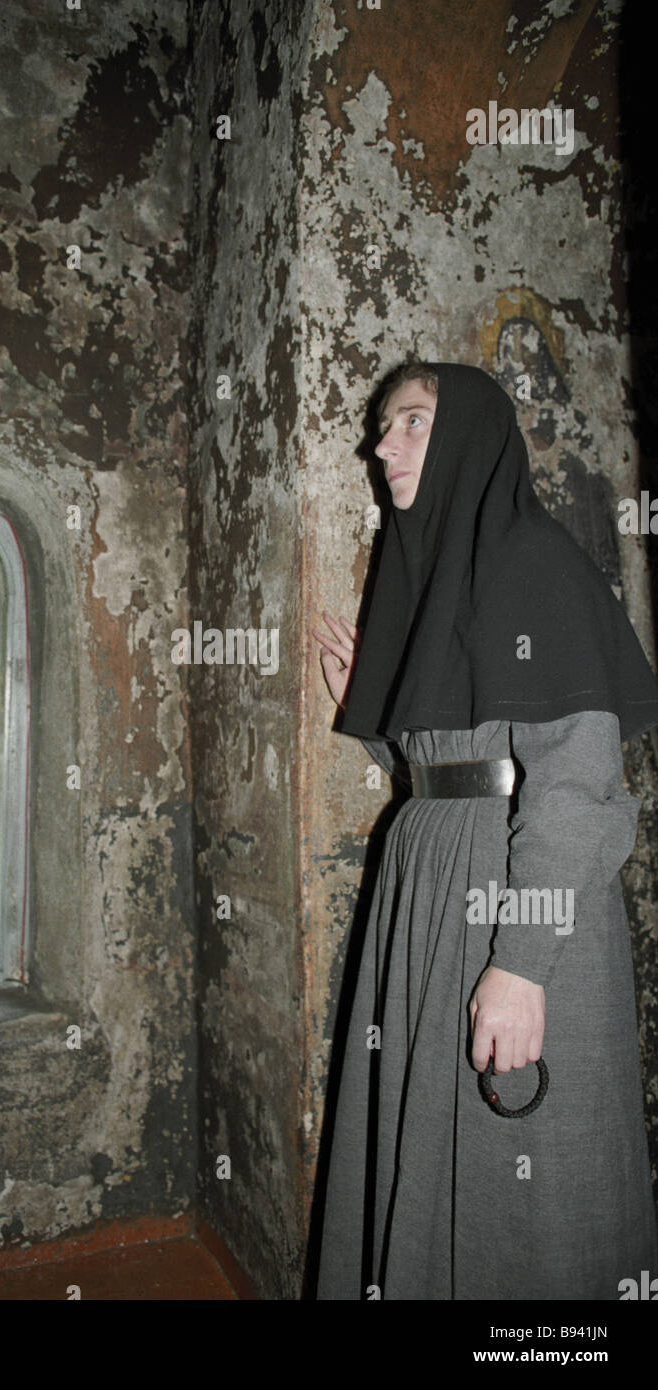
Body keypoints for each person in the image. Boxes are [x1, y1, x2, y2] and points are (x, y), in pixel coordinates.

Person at [312, 361, 658, 1300]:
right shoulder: (430, 582)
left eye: (411, 423)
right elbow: (458, 773)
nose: (380, 446)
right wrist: (381, 728)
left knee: (527, 1183)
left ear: (469, 433)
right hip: (428, 889)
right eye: (382, 427)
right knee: (427, 1147)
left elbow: (576, 785)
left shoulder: (531, 562)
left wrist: (520, 965)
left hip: (518, 902)